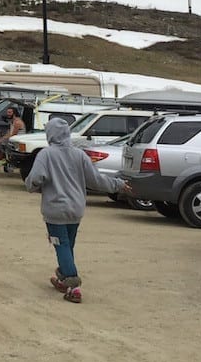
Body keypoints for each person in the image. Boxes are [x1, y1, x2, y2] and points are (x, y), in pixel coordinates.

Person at [24, 117, 128, 303]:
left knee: (60, 244)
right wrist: (118, 185)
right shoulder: (79, 155)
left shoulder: (46, 154)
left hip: (55, 210)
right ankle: (64, 275)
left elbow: (35, 178)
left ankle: (74, 285)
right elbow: (95, 180)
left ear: (50, 134)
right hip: (76, 209)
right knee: (68, 244)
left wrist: (32, 186)